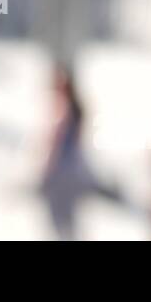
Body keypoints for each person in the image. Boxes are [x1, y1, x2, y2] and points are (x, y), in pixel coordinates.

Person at [41, 70, 95, 240]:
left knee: (61, 221)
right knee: (67, 223)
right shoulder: (72, 110)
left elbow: (57, 144)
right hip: (71, 171)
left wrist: (48, 169)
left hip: (62, 173)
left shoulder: (65, 111)